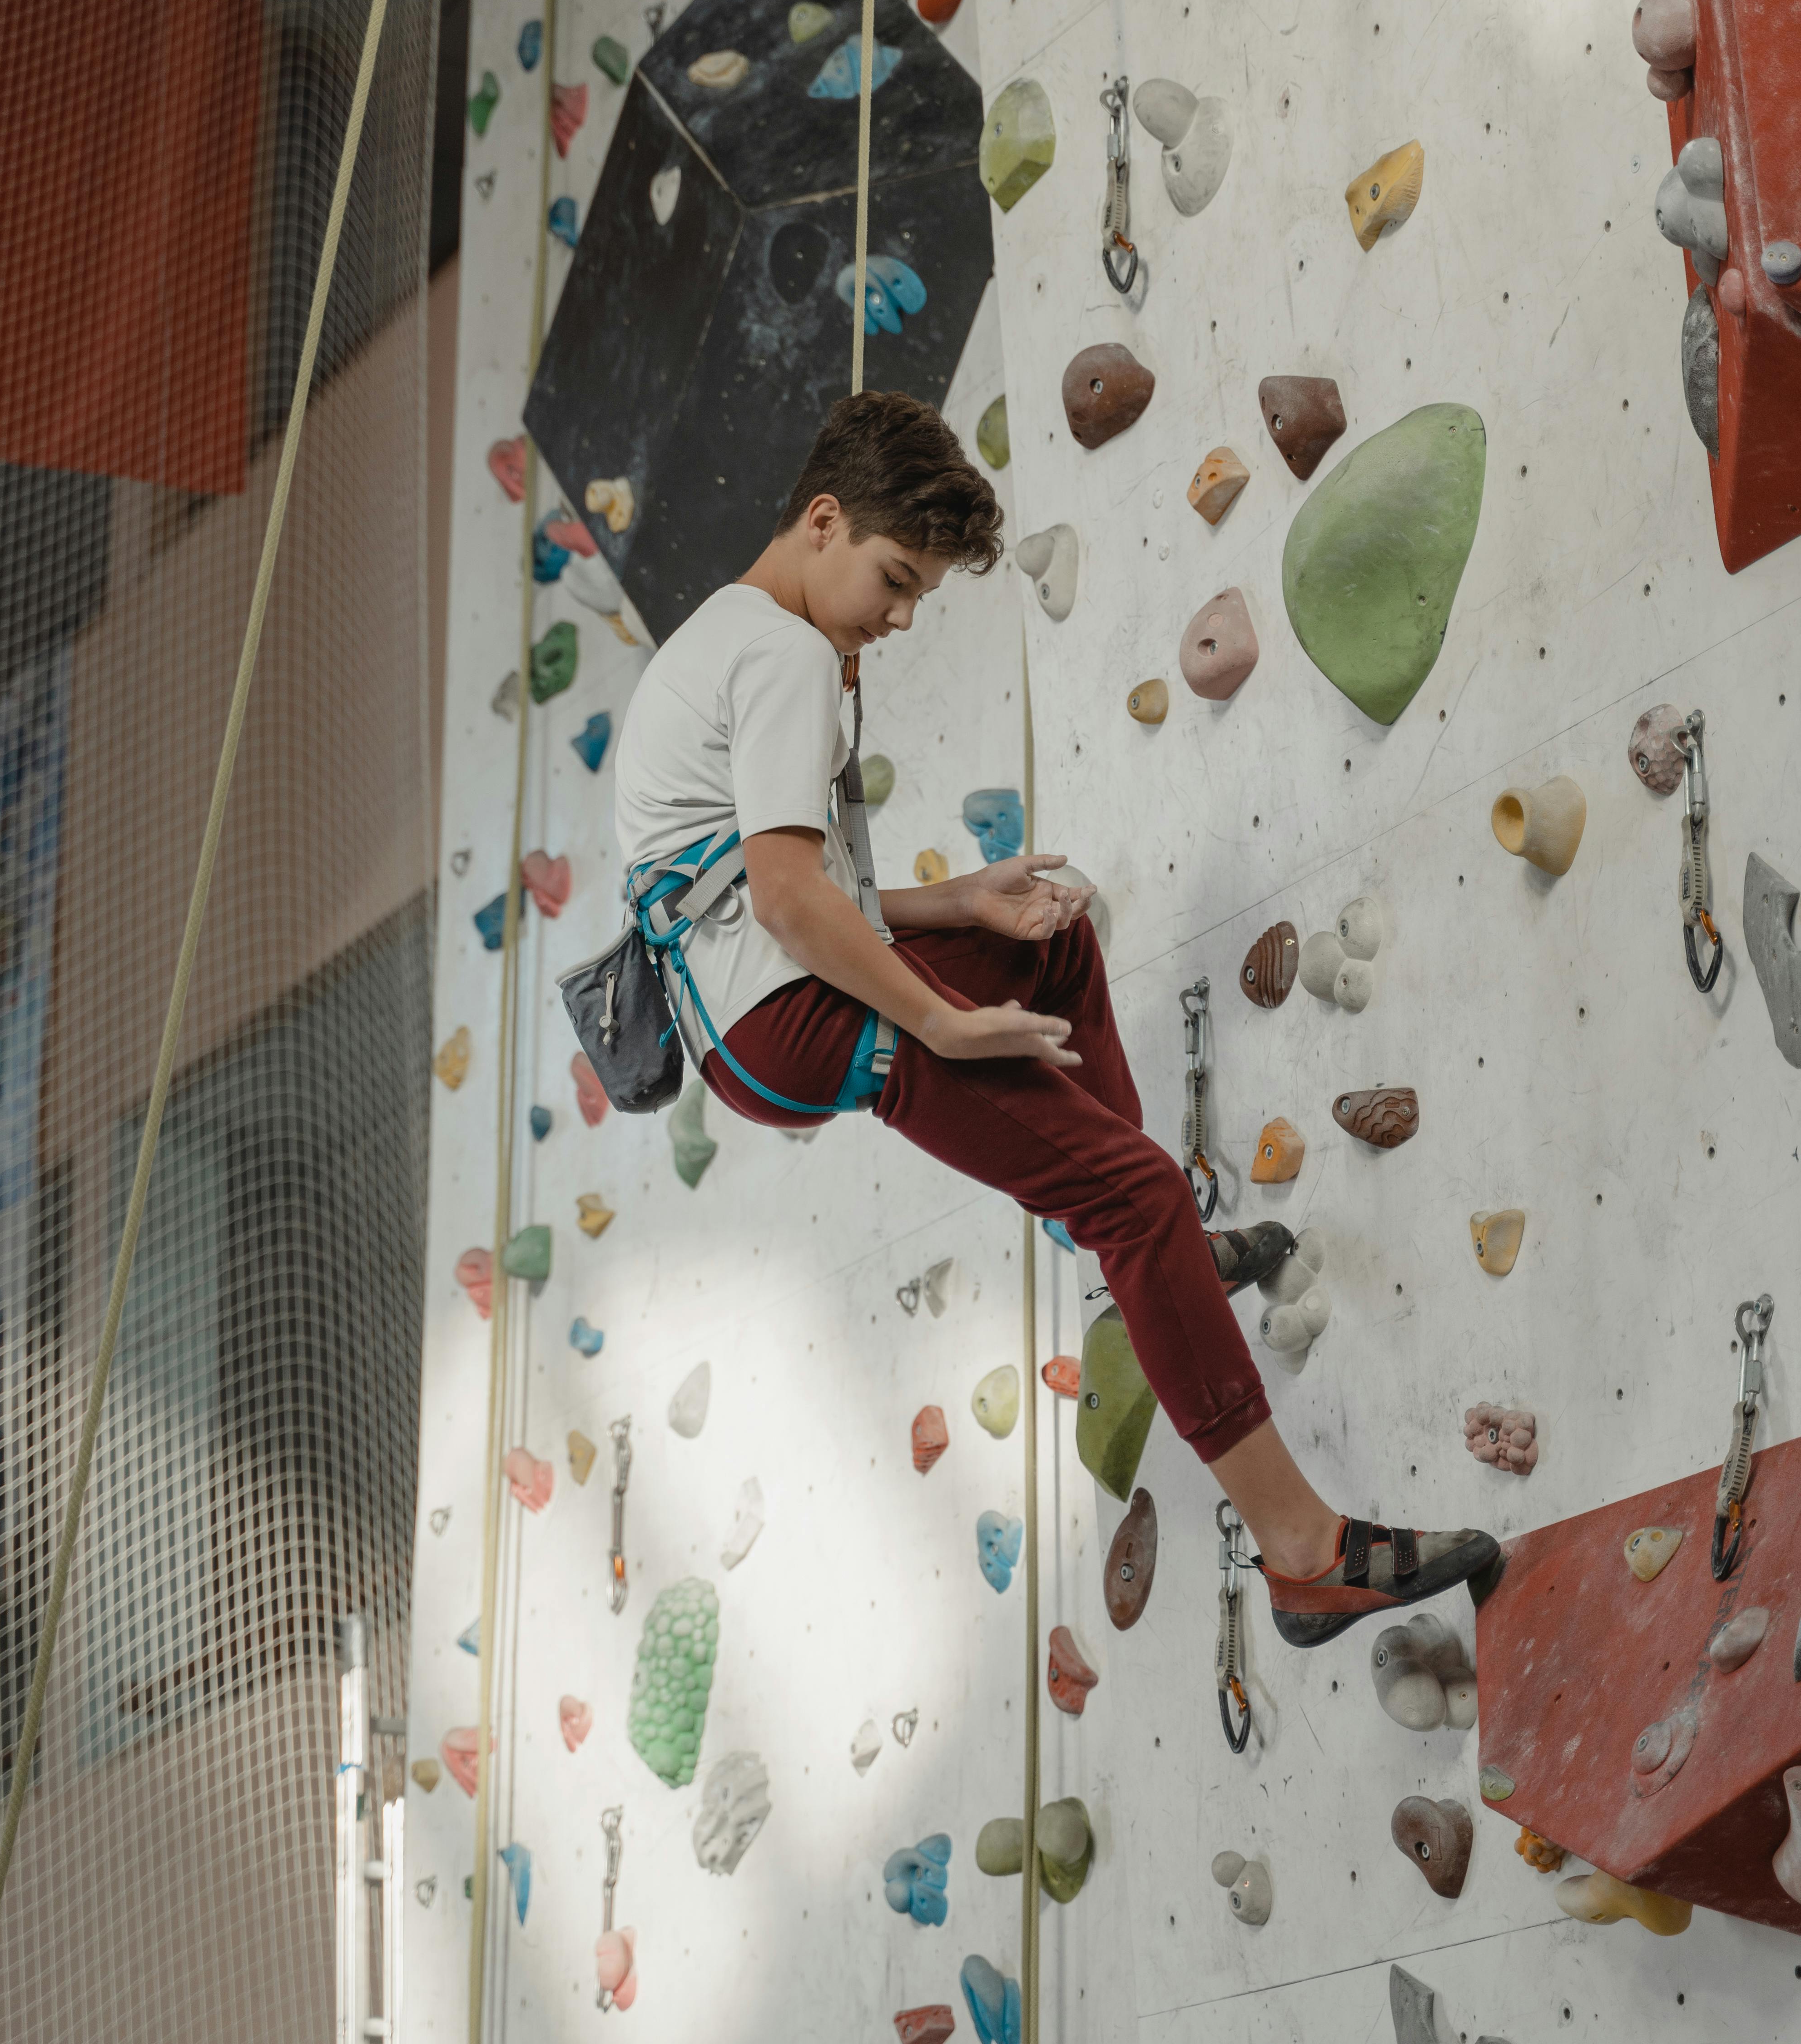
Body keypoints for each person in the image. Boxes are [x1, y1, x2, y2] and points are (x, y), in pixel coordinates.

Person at [613, 391, 1495, 1645]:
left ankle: (1137, 1267)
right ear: (823, 521)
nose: (902, 618)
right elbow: (788, 902)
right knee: (1137, 1193)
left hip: (755, 1008)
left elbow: (764, 890)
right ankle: (1304, 1557)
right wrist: (940, 1024)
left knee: (1053, 936)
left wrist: (959, 901)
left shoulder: (726, 635)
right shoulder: (787, 656)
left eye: (919, 597)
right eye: (896, 580)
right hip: (789, 1016)